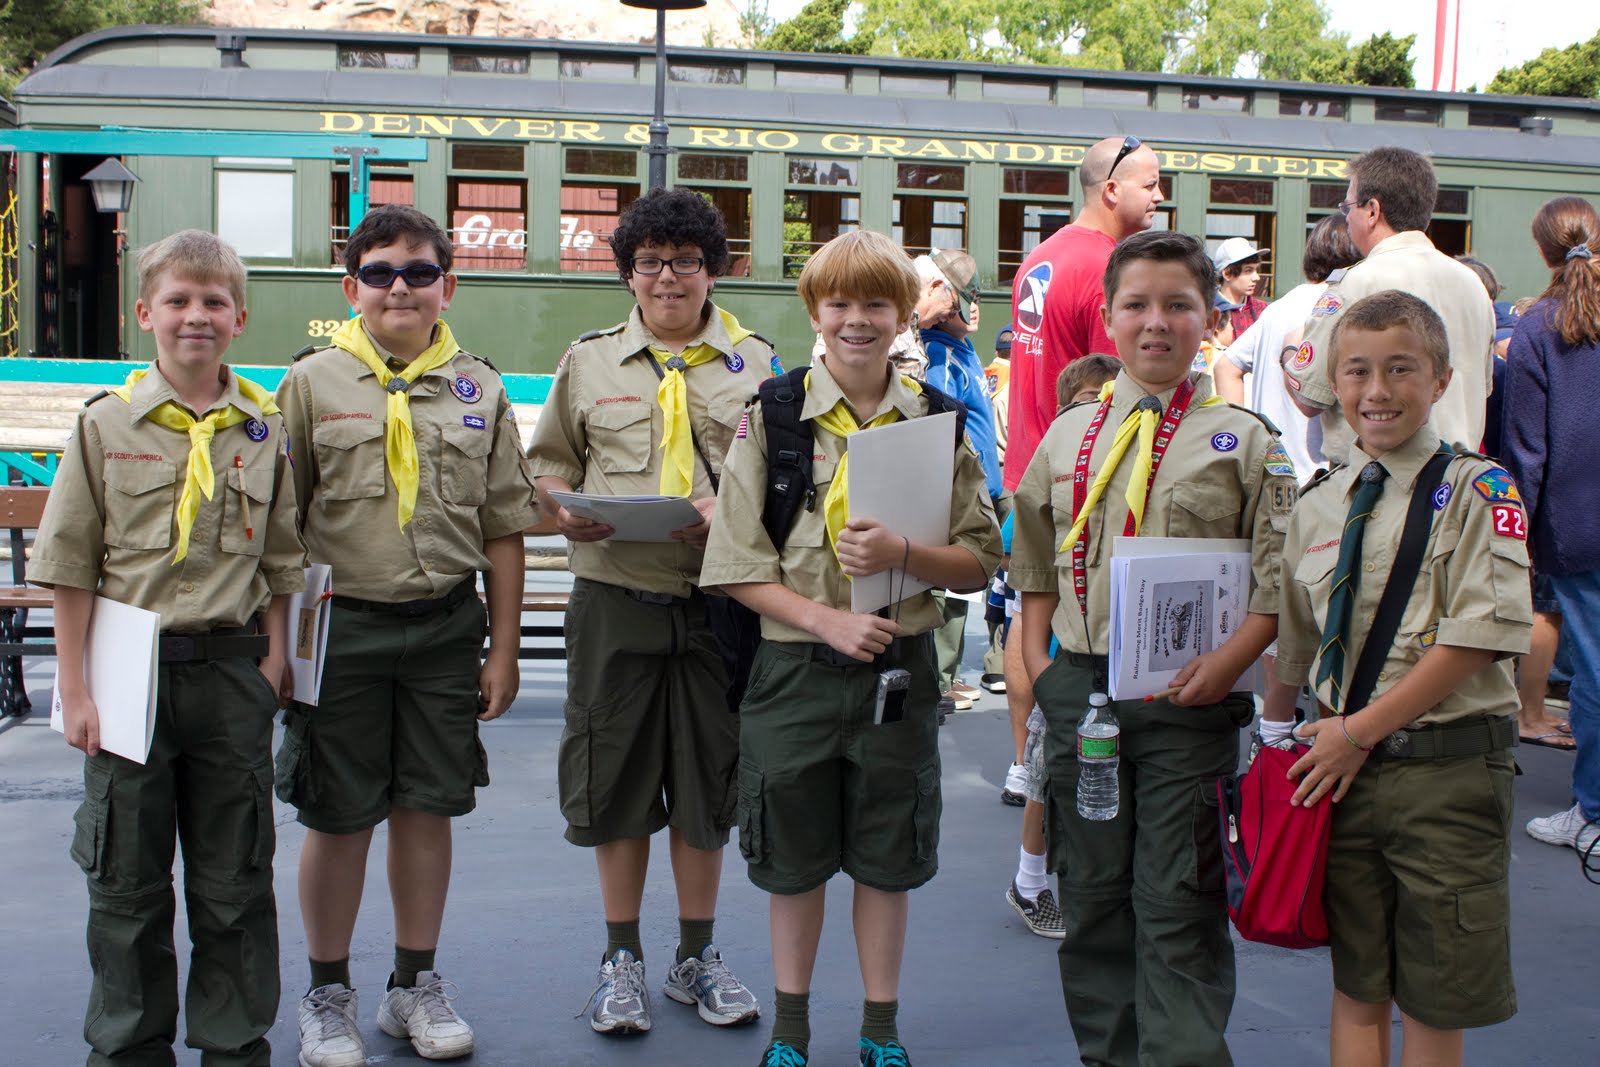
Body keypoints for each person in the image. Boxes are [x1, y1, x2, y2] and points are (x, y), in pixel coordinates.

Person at [701, 229, 1001, 1067]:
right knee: (791, 865)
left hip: (897, 675)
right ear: (815, 310)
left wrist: (907, 554)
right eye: (841, 303)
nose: (857, 320)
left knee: (886, 859)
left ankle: (880, 1030)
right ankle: (791, 1033)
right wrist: (824, 618)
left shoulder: (935, 422)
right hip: (793, 673)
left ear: (907, 315)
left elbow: (982, 557)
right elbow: (732, 564)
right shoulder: (772, 416)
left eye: (877, 303)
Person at [1010, 230, 1296, 1065]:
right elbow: (1032, 559)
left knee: (1177, 902)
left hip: (1187, 705)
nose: (1156, 322)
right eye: (1136, 304)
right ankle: (1111, 1055)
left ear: (1212, 318)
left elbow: (1277, 582)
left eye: (1178, 305)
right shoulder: (1068, 436)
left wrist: (1232, 658)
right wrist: (1034, 667)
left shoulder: (1244, 441)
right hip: (1082, 696)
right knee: (1093, 902)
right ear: (1107, 316)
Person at [32, 230, 304, 1066]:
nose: (197, 316)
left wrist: (276, 656)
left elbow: (283, 558)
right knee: (126, 884)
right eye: (179, 301)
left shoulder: (260, 431)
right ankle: (129, 1045)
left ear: (240, 318)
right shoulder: (105, 426)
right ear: (144, 312)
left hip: (229, 676)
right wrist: (74, 689)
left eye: (214, 302)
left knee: (235, 881)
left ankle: (231, 1042)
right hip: (127, 677)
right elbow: (72, 565)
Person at [276, 204, 538, 1065]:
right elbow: (283, 527)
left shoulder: (481, 387)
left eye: (419, 271)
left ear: (446, 286)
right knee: (338, 814)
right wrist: (280, 641)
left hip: (441, 629)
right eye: (382, 271)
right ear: (352, 288)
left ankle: (413, 983)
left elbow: (503, 525)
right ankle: (327, 993)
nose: (401, 286)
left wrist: (501, 648)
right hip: (340, 626)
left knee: (427, 807)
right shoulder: (311, 383)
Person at [528, 188, 772, 1038]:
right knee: (616, 784)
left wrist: (730, 508)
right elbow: (546, 466)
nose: (669, 278)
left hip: (718, 605)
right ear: (628, 272)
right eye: (652, 262)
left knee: (708, 785)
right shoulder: (588, 362)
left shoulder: (756, 363)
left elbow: (787, 484)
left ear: (714, 270)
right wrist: (563, 508)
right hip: (614, 599)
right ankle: (620, 957)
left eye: (687, 261)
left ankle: (695, 956)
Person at [1276, 290, 1530, 1067]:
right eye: (1357, 371)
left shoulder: (1477, 492)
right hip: (1344, 776)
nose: (1377, 390)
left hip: (1444, 772)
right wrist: (1284, 734)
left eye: (1400, 369)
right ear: (1334, 381)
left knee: (1433, 990)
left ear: (1444, 377)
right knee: (1357, 981)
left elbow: (1478, 638)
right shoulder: (1319, 505)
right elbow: (1299, 643)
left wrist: (1356, 730)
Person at [1002, 352, 1120, 938]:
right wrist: (1042, 674)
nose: (1095, 414)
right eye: (1085, 404)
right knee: (1046, 778)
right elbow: (1023, 575)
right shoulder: (1055, 453)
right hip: (1066, 656)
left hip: (1113, 653)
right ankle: (1029, 882)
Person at [1285, 146, 1495, 465]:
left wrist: (1288, 353)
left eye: (1347, 207)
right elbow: (1482, 388)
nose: (1347, 217)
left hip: (1376, 487)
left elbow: (1309, 397)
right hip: (1454, 484)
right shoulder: (1473, 285)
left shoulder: (1355, 283)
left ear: (1371, 210)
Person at [1504, 196, 1600, 848]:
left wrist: (1521, 535)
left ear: (1543, 249)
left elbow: (1526, 450)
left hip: (1576, 523)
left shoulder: (1538, 325)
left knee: (1592, 668)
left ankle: (1591, 810)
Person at [1005, 135, 1164, 492]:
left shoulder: (1039, 256)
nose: (1159, 196)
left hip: (1027, 471)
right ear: (1112, 189)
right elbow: (1112, 389)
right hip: (1073, 478)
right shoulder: (1106, 268)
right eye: (1150, 185)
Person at [1214, 212, 1361, 480]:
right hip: (1317, 475)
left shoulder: (1278, 308)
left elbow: (1226, 367)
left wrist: (1236, 443)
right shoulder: (1340, 304)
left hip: (1269, 469)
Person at [918, 250, 1000, 711]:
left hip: (982, 482)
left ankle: (947, 675)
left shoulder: (962, 351)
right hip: (961, 486)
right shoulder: (938, 355)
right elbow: (943, 423)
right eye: (961, 301)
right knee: (949, 590)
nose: (971, 310)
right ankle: (942, 679)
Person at [1211, 236, 1269, 334]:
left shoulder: (1263, 310)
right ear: (1227, 274)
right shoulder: (1207, 311)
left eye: (1256, 270)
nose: (1256, 277)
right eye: (1248, 271)